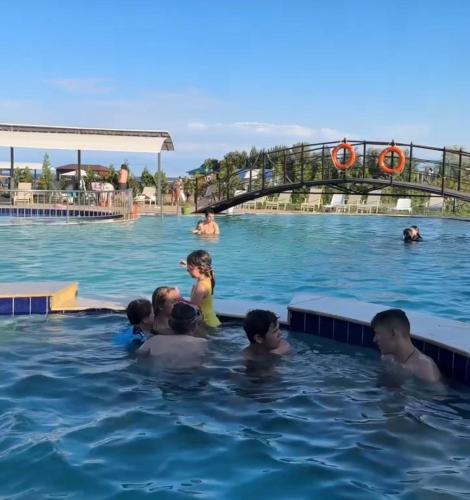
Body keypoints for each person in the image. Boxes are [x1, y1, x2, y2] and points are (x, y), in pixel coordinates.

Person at [371, 309, 441, 383]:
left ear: (393, 333)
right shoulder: (387, 358)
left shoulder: (424, 369)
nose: (374, 339)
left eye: (378, 333)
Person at [137, 301, 208, 369]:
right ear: (194, 325)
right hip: (191, 376)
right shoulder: (202, 343)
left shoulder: (153, 341)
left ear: (170, 323)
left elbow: (139, 359)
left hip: (159, 376)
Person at [183, 249, 221, 328]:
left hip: (205, 324)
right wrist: (187, 265)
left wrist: (178, 299)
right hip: (212, 321)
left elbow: (193, 309)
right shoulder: (210, 276)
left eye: (190, 268)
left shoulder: (200, 287)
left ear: (201, 268)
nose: (187, 270)